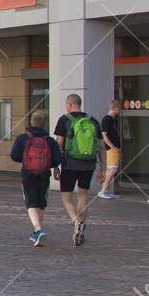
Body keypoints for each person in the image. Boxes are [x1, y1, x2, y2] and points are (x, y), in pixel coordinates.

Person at [9, 108, 63, 248]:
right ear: (44, 123)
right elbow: (57, 159)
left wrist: (27, 159)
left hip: (28, 174)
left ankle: (38, 230)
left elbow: (14, 155)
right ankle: (36, 232)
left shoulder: (23, 138)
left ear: (31, 121)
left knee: (30, 203)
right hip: (44, 174)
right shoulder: (49, 140)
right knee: (41, 203)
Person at [52, 93, 101, 245]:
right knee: (83, 194)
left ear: (69, 104)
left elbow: (59, 144)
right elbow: (101, 147)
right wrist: (103, 168)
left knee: (66, 196)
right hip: (89, 163)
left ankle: (76, 221)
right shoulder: (92, 120)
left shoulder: (64, 119)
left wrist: (56, 165)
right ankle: (79, 230)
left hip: (70, 163)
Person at [98, 100, 123, 200]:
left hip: (114, 147)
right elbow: (104, 135)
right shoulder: (107, 119)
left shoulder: (113, 119)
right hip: (112, 148)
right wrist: (112, 146)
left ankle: (106, 190)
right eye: (119, 108)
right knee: (113, 168)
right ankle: (103, 190)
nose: (120, 111)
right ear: (116, 108)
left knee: (110, 169)